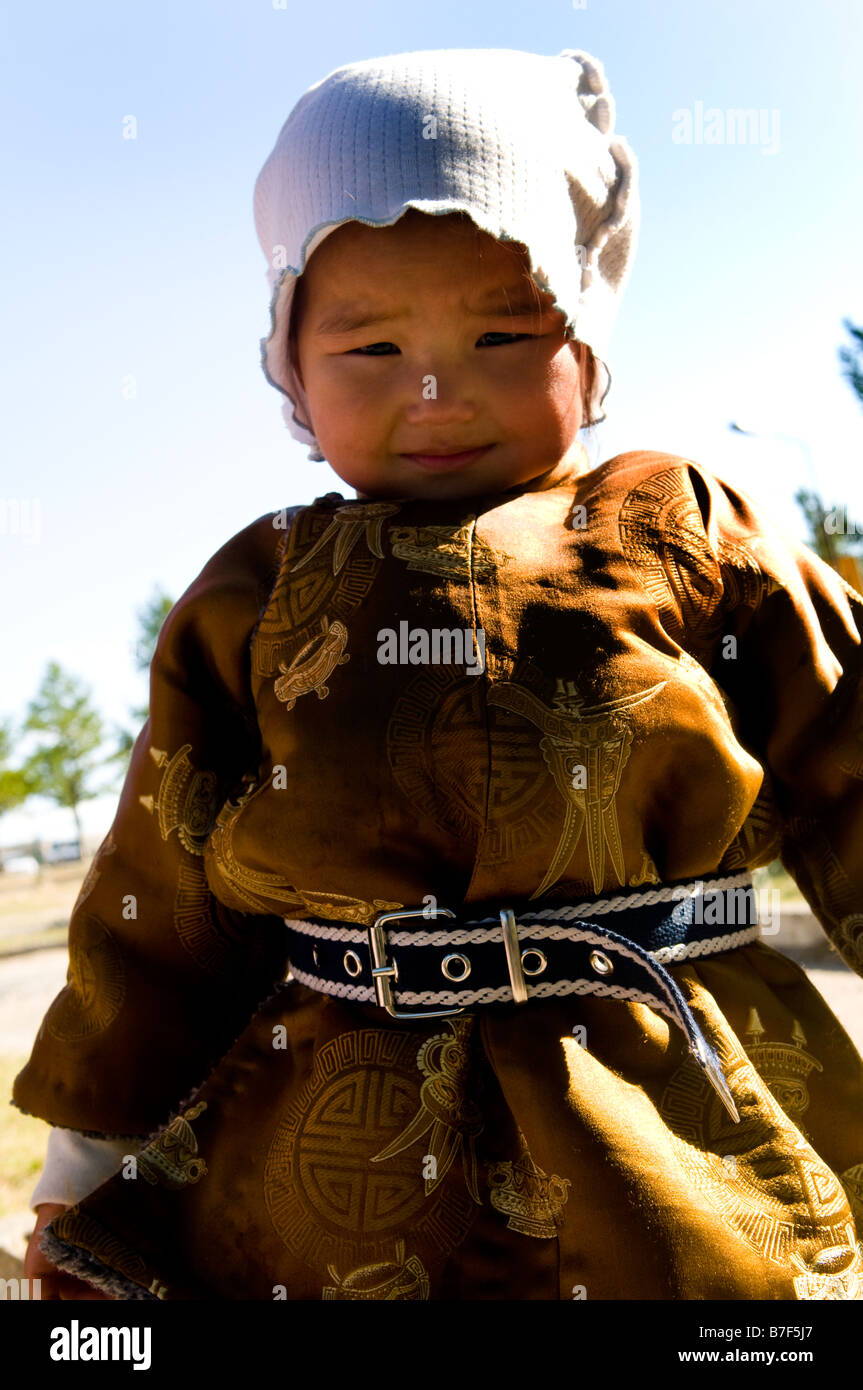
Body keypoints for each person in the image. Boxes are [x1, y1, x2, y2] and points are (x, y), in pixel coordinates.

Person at [16, 45, 863, 1301]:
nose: (433, 388)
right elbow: (160, 902)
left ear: (584, 334)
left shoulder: (680, 528)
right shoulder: (256, 598)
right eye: (368, 348)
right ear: (290, 371)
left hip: (678, 1119)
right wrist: (83, 1158)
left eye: (500, 332)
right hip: (340, 1154)